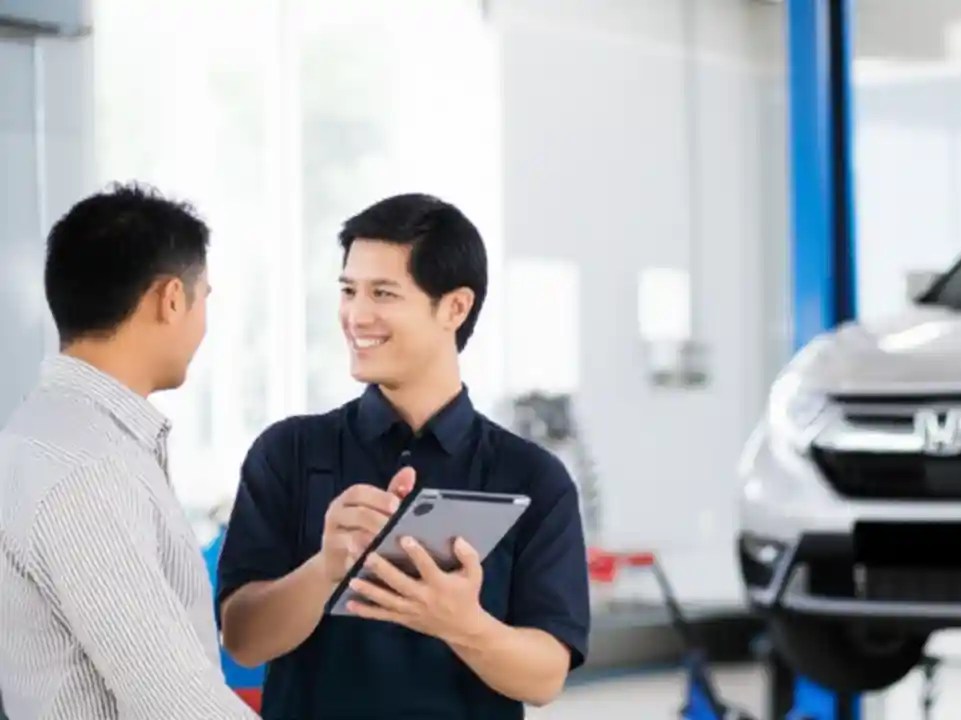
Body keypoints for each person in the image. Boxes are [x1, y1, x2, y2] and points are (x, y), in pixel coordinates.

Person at [217, 193, 591, 718]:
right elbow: (243, 641)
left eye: (384, 293)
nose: (356, 315)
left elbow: (546, 676)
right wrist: (326, 567)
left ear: (455, 308)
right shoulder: (289, 452)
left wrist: (461, 623)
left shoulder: (533, 478)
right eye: (348, 291)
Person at [0, 184, 257, 719]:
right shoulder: (85, 469)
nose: (203, 322)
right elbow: (176, 701)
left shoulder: (49, 436)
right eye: (203, 297)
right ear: (169, 299)